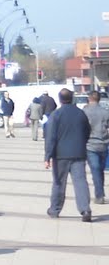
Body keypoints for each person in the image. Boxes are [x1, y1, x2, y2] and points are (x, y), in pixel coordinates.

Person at [43, 88, 93, 222]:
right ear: (72, 98)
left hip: (60, 155)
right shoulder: (81, 114)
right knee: (80, 181)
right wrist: (82, 143)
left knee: (59, 182)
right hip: (78, 153)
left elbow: (50, 137)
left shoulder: (56, 115)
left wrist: (47, 156)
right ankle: (85, 209)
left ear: (60, 99)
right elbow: (87, 131)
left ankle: (55, 209)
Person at [84, 89, 108, 206]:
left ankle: (99, 195)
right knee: (100, 170)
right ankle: (100, 193)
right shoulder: (105, 112)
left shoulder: (84, 112)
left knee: (95, 170)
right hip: (103, 144)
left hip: (90, 144)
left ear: (89, 98)